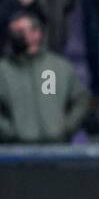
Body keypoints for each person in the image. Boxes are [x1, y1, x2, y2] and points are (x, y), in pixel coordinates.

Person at [0, 9, 92, 144]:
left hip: (56, 150)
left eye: (20, 31)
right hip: (16, 151)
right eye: (13, 32)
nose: (15, 36)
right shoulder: (3, 70)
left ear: (37, 33)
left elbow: (81, 100)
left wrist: (65, 128)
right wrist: (9, 131)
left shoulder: (58, 67)